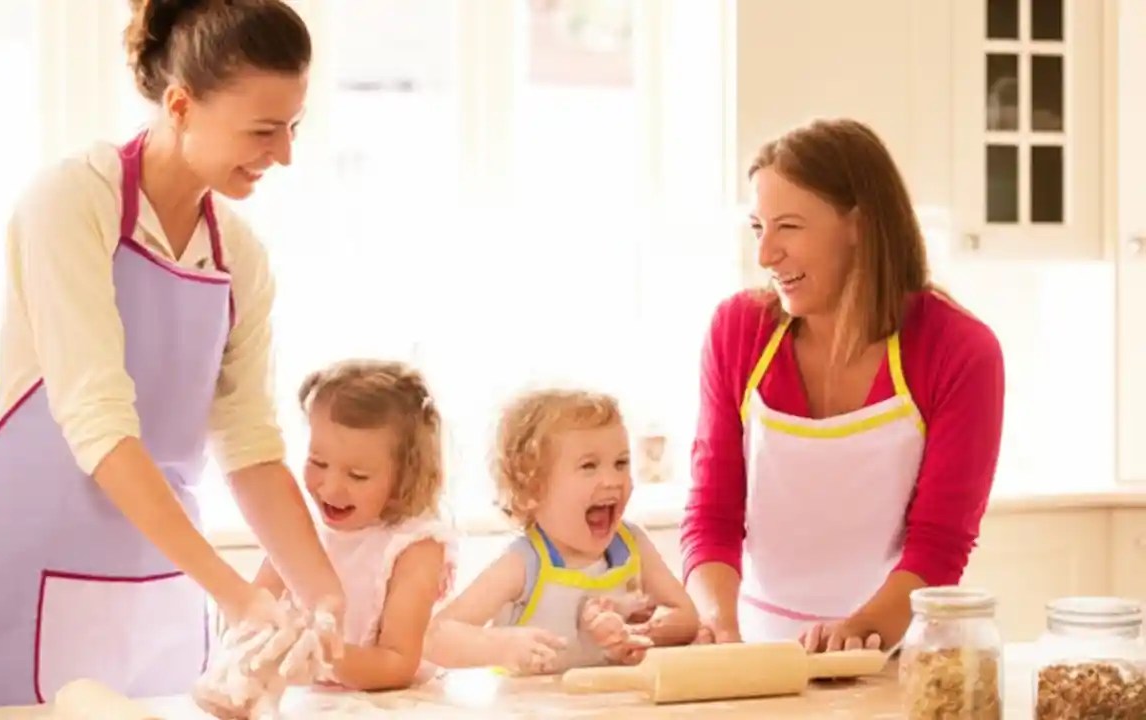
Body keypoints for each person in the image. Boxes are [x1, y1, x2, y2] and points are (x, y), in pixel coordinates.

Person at [0, 0, 344, 709]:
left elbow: (249, 445)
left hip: (160, 588)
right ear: (182, 105)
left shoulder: (238, 255)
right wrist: (236, 592)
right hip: (37, 583)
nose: (284, 154)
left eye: (293, 127)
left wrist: (323, 593)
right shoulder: (71, 203)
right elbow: (100, 427)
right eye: (263, 129)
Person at [681, 118, 1006, 653]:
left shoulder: (959, 349)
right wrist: (719, 627)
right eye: (759, 228)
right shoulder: (738, 331)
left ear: (858, 225)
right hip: (753, 647)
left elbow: (939, 547)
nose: (766, 255)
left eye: (788, 227)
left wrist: (858, 636)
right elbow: (712, 514)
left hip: (896, 651)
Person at [196, 359, 457, 716]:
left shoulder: (415, 547)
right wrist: (247, 657)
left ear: (405, 478)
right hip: (318, 704)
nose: (331, 487)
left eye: (358, 475)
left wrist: (324, 656)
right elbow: (257, 611)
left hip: (394, 706)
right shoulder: (299, 534)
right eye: (318, 462)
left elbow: (398, 663)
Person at [428, 389, 698, 674]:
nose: (612, 480)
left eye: (621, 463)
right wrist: (501, 646)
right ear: (532, 490)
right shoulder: (523, 564)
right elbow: (436, 636)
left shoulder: (634, 546)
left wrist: (644, 631)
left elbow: (686, 615)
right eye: (589, 466)